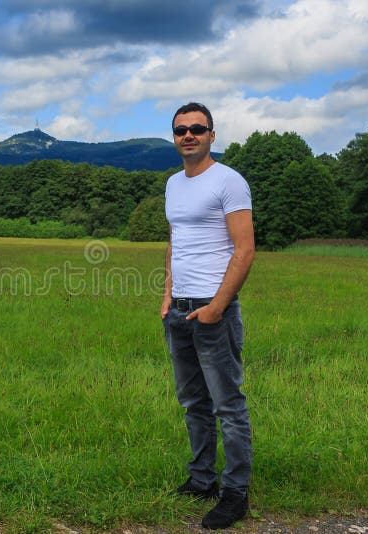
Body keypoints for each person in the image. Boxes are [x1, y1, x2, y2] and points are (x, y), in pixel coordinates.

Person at [160, 102, 255, 530]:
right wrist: (166, 297)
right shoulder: (173, 185)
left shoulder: (229, 181)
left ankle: (235, 492)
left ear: (212, 135)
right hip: (179, 309)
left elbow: (245, 249)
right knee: (193, 402)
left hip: (212, 309)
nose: (189, 135)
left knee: (228, 405)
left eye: (198, 128)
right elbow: (175, 242)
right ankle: (201, 480)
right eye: (181, 130)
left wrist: (216, 307)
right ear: (175, 137)